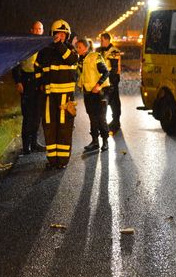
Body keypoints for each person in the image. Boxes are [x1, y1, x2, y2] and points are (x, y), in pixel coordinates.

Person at [35, 19, 78, 169]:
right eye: (58, 34)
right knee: (49, 128)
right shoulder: (45, 51)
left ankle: (63, 161)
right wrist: (40, 84)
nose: (61, 36)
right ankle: (52, 160)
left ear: (67, 36)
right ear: (52, 34)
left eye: (63, 34)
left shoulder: (71, 50)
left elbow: (71, 60)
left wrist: (59, 44)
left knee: (64, 129)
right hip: (49, 97)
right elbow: (37, 68)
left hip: (66, 99)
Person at [12, 20, 45, 154]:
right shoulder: (24, 46)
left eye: (40, 29)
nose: (38, 31)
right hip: (26, 81)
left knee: (37, 114)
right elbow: (15, 64)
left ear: (43, 31)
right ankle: (26, 146)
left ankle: (34, 143)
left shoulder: (44, 46)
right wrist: (18, 81)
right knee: (27, 115)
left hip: (39, 83)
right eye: (36, 29)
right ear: (31, 30)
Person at [76, 39, 110, 152]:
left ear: (86, 47)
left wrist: (98, 85)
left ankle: (105, 141)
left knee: (101, 118)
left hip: (99, 93)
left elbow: (106, 72)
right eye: (77, 47)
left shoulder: (95, 56)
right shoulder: (80, 60)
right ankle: (95, 141)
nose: (78, 49)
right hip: (88, 93)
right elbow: (83, 75)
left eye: (79, 47)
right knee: (92, 118)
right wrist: (80, 84)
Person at [98, 32, 122, 133]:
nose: (101, 42)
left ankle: (116, 122)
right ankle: (111, 122)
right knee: (107, 102)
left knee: (114, 102)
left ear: (107, 40)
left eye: (102, 40)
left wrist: (111, 82)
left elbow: (114, 68)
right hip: (105, 81)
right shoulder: (103, 51)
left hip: (112, 80)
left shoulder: (114, 51)